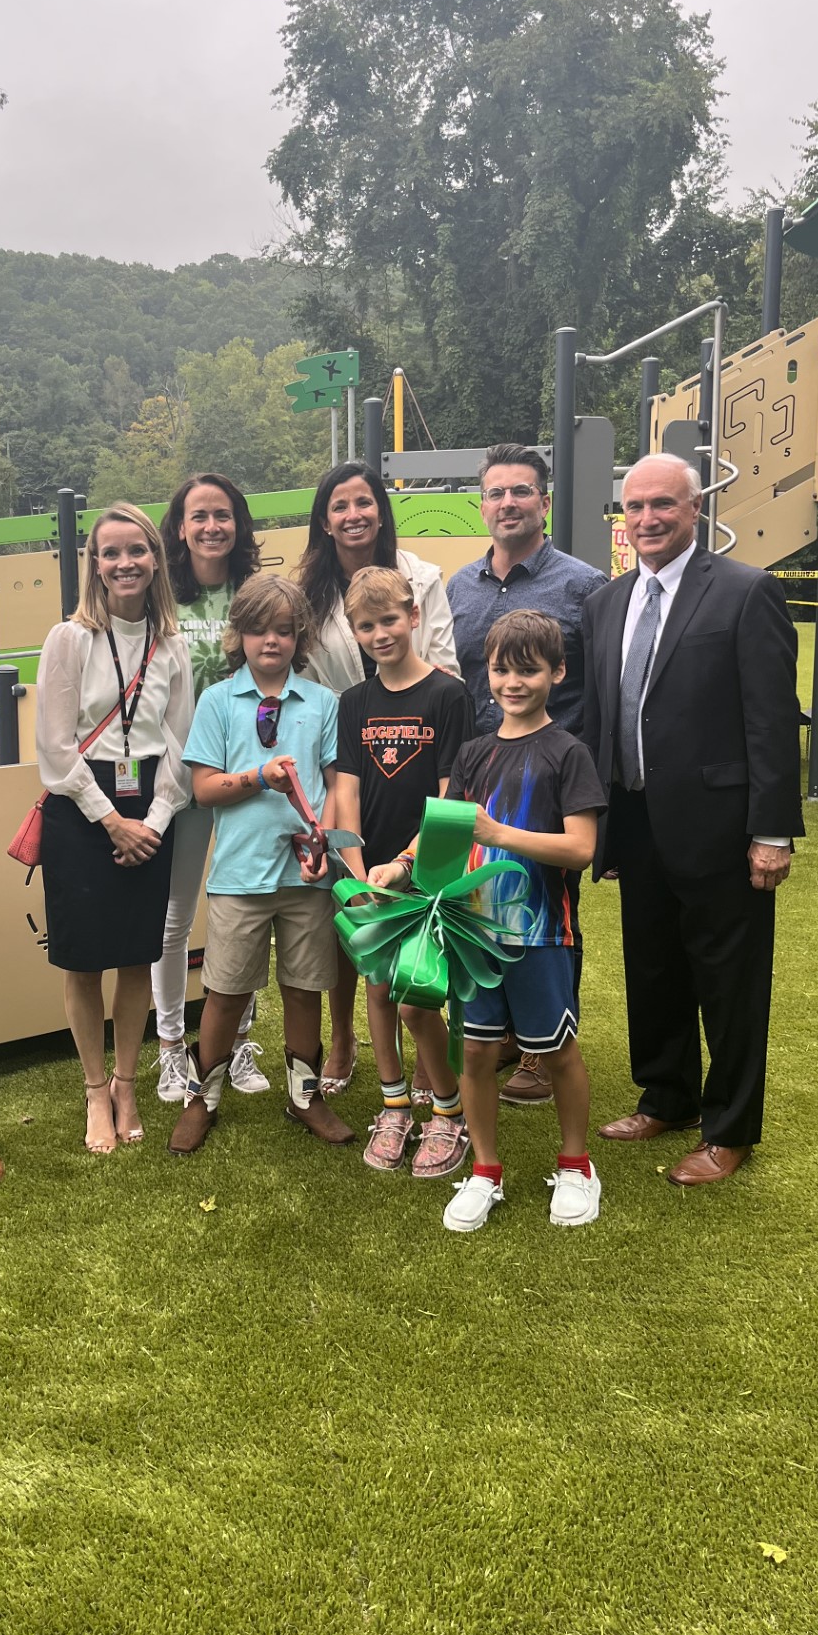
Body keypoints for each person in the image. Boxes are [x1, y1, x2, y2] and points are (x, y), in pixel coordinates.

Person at [579, 454, 804, 1185]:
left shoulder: (745, 591)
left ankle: (729, 1130)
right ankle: (665, 1097)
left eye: (663, 505)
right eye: (635, 506)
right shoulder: (605, 603)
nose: (647, 519)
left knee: (730, 981)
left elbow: (771, 721)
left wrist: (772, 832)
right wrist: (596, 817)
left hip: (721, 828)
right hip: (635, 819)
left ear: (695, 508)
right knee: (652, 968)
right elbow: (599, 719)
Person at [369, 611, 606, 1233]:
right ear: (487, 675)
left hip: (541, 934)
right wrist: (400, 865)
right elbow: (443, 830)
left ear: (557, 673)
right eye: (502, 670)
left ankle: (576, 1166)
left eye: (529, 670)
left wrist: (498, 833)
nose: (513, 682)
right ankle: (484, 1170)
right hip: (474, 937)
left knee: (555, 1052)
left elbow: (581, 848)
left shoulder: (570, 752)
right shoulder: (474, 753)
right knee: (475, 1052)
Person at [446, 442, 607, 1111]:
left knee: (550, 907)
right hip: (483, 768)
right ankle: (506, 1029)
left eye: (520, 491)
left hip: (551, 778)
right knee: (488, 900)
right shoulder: (458, 587)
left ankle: (545, 1046)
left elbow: (602, 687)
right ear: (481, 504)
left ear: (544, 501)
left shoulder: (584, 586)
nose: (507, 503)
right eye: (495, 492)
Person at [170, 574, 353, 1155]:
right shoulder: (218, 701)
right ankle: (202, 1098)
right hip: (239, 876)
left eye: (283, 629)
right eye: (258, 629)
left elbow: (335, 786)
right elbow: (203, 789)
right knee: (225, 992)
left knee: (304, 988)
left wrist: (328, 848)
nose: (270, 640)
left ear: (299, 636)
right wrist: (257, 777)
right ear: (239, 635)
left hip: (307, 875)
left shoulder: (323, 703)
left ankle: (305, 1097)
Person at [295, 461, 460, 1096]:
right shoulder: (311, 591)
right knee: (355, 917)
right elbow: (301, 679)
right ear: (324, 519)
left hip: (419, 766)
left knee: (422, 934)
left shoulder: (421, 578)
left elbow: (443, 664)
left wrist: (415, 854)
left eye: (364, 501)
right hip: (347, 766)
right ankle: (346, 1042)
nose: (353, 514)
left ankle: (427, 1064)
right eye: (339, 505)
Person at [36, 503, 194, 1155]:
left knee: (136, 954)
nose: (125, 563)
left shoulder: (174, 646)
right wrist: (111, 822)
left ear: (155, 559)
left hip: (151, 807)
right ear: (94, 565)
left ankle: (127, 1084)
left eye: (137, 550)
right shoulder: (69, 639)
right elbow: (54, 746)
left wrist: (150, 824)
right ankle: (95, 1090)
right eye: (111, 552)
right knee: (82, 961)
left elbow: (180, 747)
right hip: (82, 810)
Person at [335, 567, 474, 1181]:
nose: (380, 634)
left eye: (389, 619)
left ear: (414, 617)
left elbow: (451, 799)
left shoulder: (448, 695)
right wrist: (356, 874)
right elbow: (345, 792)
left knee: (419, 995)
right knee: (377, 987)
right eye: (366, 626)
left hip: (429, 871)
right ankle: (393, 1106)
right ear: (355, 633)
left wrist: (405, 863)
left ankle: (448, 1111)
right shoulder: (353, 703)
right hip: (369, 875)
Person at [151, 473, 269, 1104]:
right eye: (198, 516)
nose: (211, 527)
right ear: (179, 527)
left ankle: (237, 1040)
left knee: (244, 915)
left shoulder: (256, 593)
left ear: (239, 523)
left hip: (248, 780)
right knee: (174, 919)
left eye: (222, 515)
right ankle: (172, 1047)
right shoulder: (160, 596)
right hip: (180, 780)